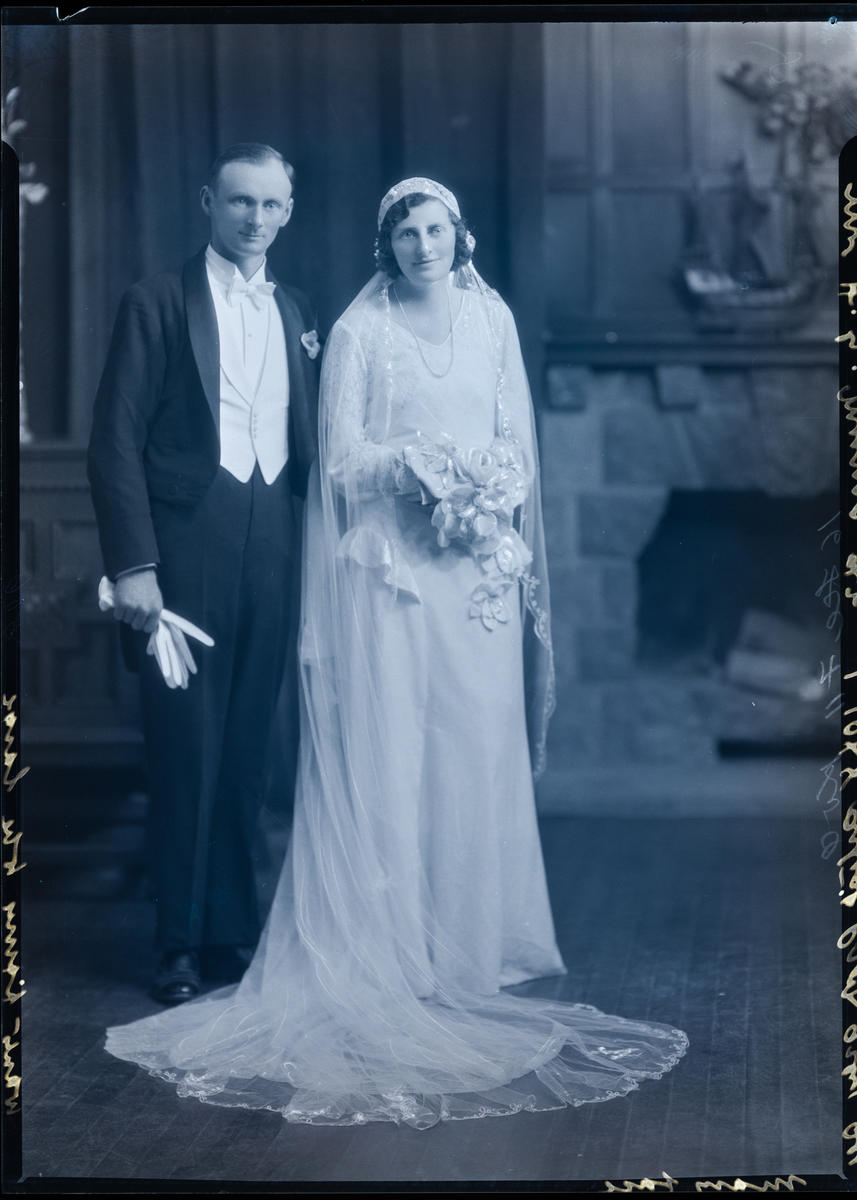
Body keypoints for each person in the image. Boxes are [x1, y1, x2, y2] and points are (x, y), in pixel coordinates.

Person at [104, 178, 687, 1128]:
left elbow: (508, 443)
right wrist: (419, 471)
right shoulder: (338, 326)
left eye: (435, 229)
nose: (422, 245)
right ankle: (276, 946)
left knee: (454, 752)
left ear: (458, 234)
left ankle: (452, 945)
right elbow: (328, 457)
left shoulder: (461, 318)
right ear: (386, 243)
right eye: (406, 232)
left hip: (453, 571)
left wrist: (484, 491)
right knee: (349, 755)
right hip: (354, 568)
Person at [87, 143, 320, 1005]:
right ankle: (178, 944)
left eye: (270, 204)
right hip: (185, 546)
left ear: (287, 211)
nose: (255, 218)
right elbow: (114, 440)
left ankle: (230, 932)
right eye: (239, 201)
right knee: (186, 747)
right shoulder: (154, 301)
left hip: (275, 542)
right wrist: (135, 567)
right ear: (207, 204)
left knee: (251, 748)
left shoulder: (295, 308)